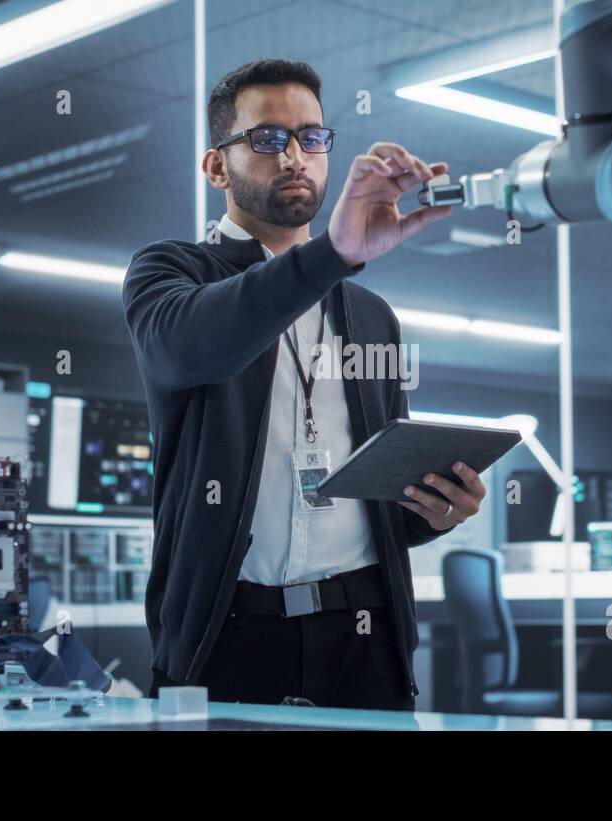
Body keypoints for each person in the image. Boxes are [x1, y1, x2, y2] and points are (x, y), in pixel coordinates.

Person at [122, 58, 486, 711]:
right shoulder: (172, 274)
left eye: (312, 138)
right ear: (216, 167)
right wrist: (335, 252)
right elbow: (196, 345)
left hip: (364, 635)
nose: (295, 155)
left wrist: (434, 510)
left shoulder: (372, 318)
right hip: (228, 637)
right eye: (267, 139)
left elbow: (378, 505)